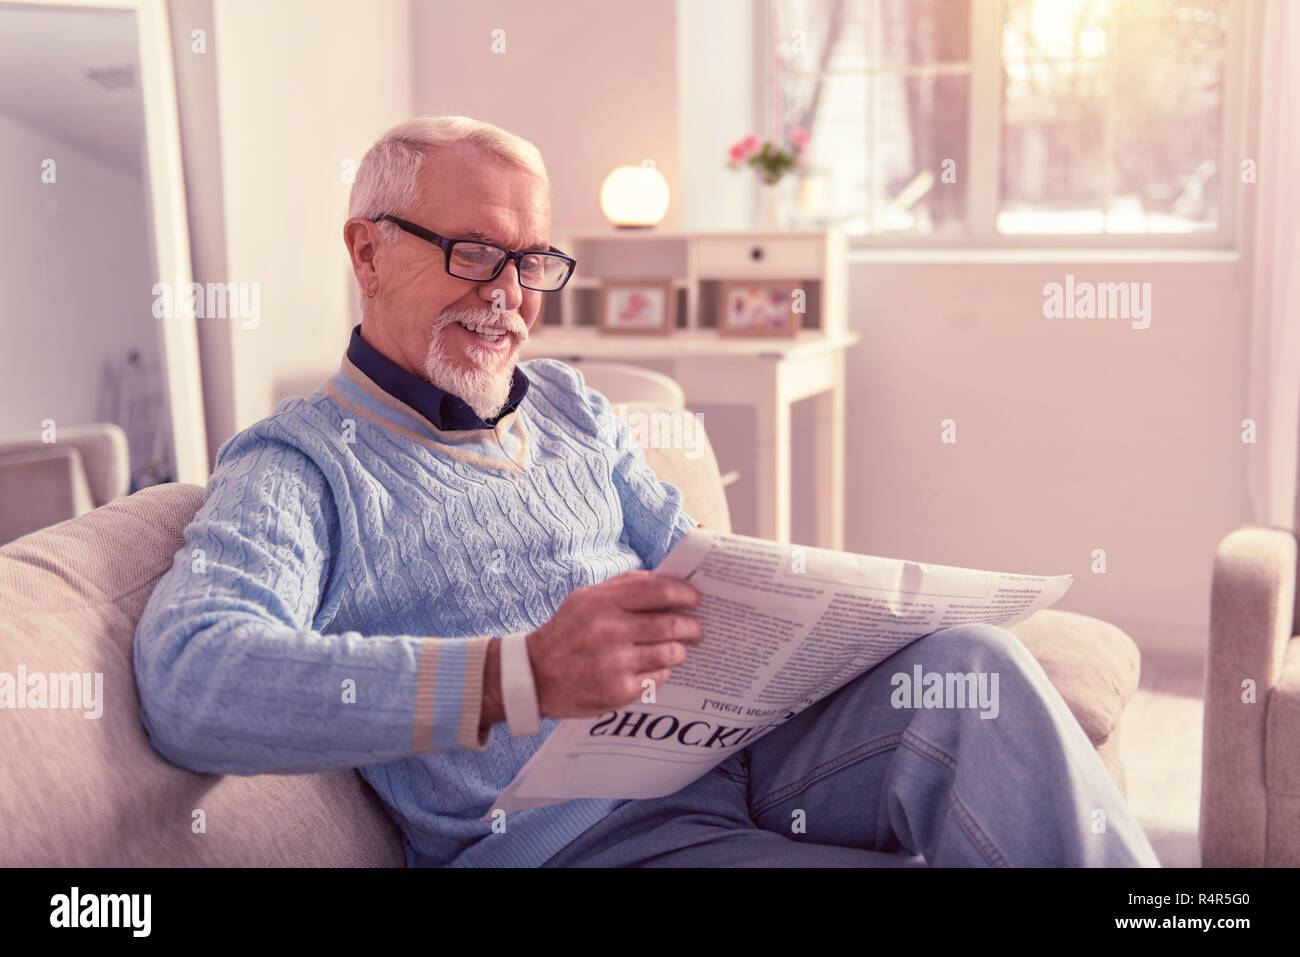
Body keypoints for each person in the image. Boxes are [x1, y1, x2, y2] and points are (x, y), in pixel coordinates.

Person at [133, 115, 1159, 868]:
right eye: (474, 251)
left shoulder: (573, 406)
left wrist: (834, 616)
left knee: (969, 669)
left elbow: (697, 573)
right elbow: (192, 680)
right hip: (580, 841)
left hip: (733, 753)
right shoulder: (298, 463)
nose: (507, 295)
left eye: (533, 262)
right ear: (367, 249)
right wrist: (518, 675)